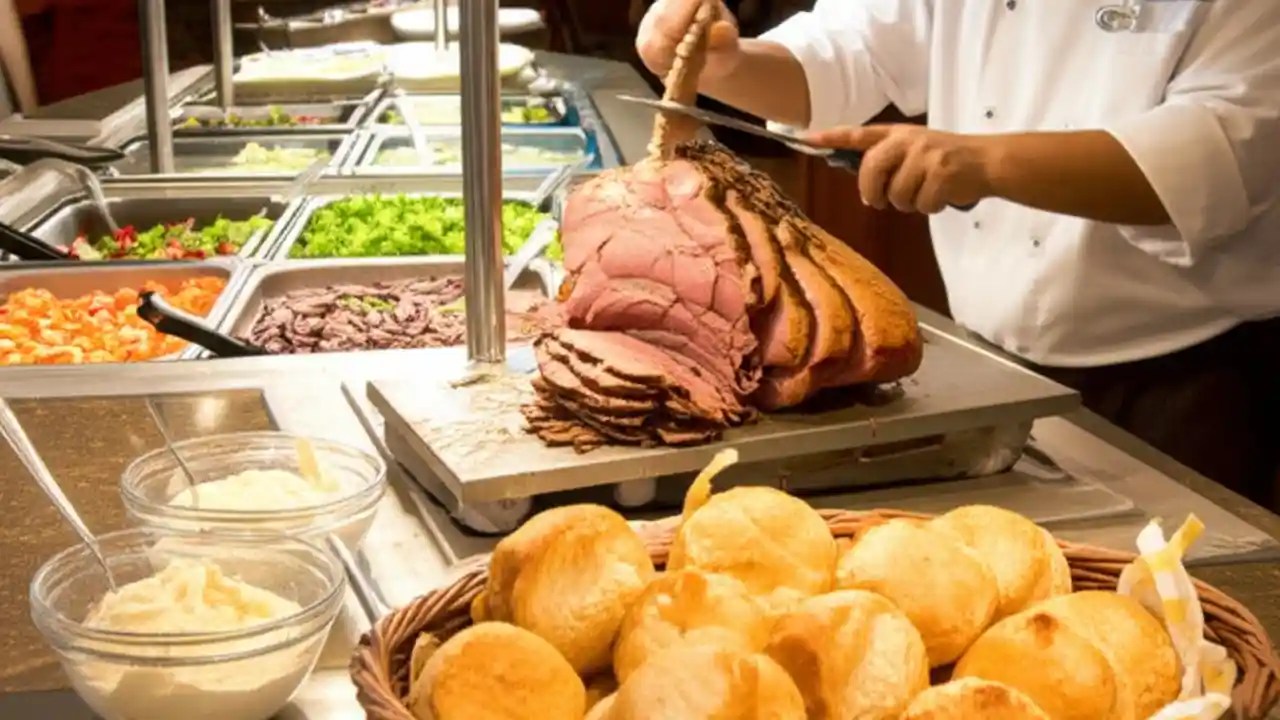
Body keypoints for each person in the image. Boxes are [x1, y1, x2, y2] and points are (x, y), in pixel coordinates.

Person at [637, 0, 1280, 508]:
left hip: (1186, 382)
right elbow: (846, 54)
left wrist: (984, 161)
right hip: (994, 366)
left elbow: (1223, 152)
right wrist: (727, 64)